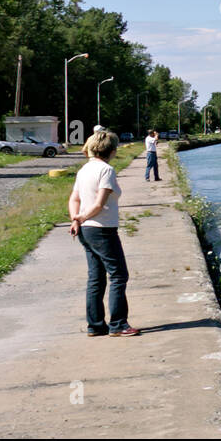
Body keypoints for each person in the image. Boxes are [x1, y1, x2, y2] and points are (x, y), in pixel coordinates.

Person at [68, 129, 139, 337]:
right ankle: (118, 324)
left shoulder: (84, 170)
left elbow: (74, 199)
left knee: (96, 278)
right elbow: (99, 204)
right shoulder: (106, 170)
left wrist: (76, 219)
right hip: (102, 229)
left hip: (85, 230)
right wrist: (81, 218)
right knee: (118, 275)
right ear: (112, 151)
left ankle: (96, 325)